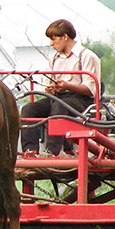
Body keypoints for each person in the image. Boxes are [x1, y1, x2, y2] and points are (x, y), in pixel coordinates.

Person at [20, 19, 101, 156]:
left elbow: (91, 89)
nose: (51, 43)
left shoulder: (86, 56)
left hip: (81, 101)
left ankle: (51, 152)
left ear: (65, 37)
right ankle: (30, 151)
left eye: (54, 39)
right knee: (28, 109)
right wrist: (51, 88)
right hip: (58, 98)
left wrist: (67, 86)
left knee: (59, 106)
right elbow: (48, 83)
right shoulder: (54, 58)